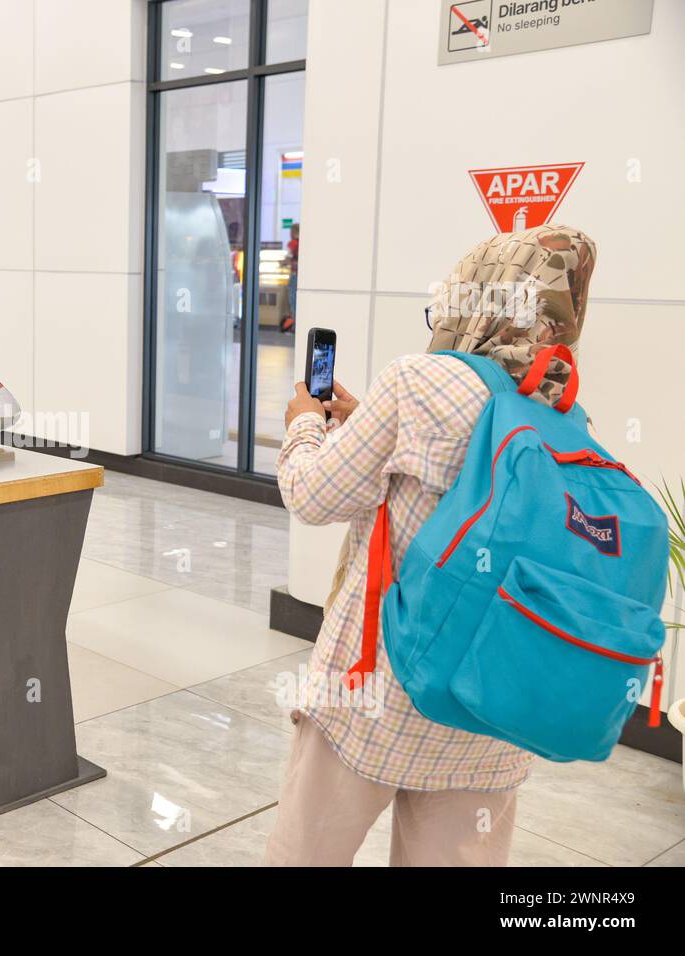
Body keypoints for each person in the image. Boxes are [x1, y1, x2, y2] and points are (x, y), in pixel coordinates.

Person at [265, 224, 597, 866]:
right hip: (491, 709)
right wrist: (371, 427)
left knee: (306, 855)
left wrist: (306, 422)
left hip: (375, 697)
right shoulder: (567, 414)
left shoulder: (419, 383)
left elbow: (312, 494)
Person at [281, 223, 299, 334]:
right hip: (301, 276)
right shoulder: (303, 242)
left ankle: (294, 327)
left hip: (294, 275)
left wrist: (283, 263)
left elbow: (288, 258)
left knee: (293, 301)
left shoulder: (292, 243)